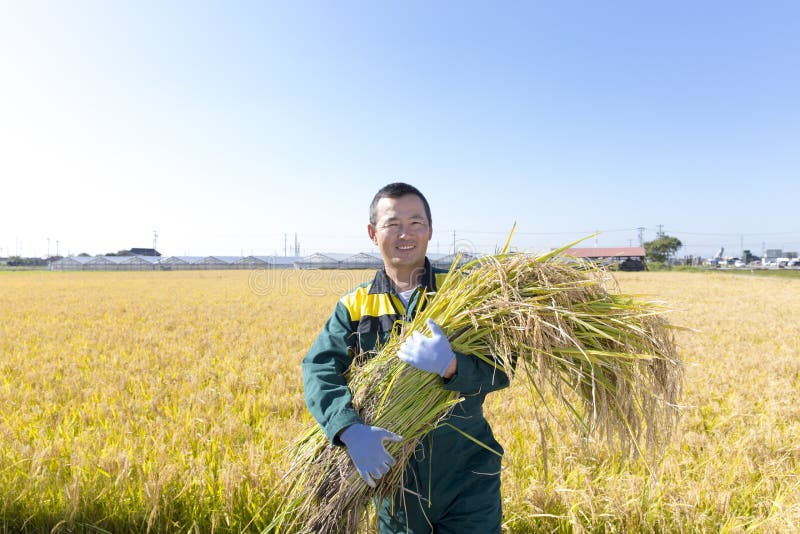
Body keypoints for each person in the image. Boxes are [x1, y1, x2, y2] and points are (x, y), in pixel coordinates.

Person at [302, 182, 509, 533]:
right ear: (372, 233)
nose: (405, 233)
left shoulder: (464, 294)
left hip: (468, 473)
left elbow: (503, 367)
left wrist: (453, 366)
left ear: (430, 230)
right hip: (395, 479)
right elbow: (320, 368)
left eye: (416, 223)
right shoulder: (355, 305)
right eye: (392, 223)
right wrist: (348, 429)